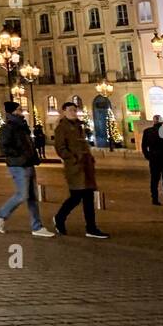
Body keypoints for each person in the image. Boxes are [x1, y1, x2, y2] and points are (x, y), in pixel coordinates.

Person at [0, 102, 55, 236]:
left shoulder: (21, 126)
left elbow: (28, 144)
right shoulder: (8, 128)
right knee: (22, 194)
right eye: (19, 109)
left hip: (27, 163)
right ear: (13, 112)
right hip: (18, 165)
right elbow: (4, 147)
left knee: (32, 196)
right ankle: (0, 215)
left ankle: (37, 227)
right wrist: (21, 155)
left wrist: (31, 157)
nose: (22, 111)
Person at [53, 101, 109, 238]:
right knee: (75, 198)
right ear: (64, 112)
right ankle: (59, 218)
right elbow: (60, 148)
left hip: (86, 167)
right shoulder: (62, 128)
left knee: (88, 198)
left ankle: (91, 228)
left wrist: (89, 158)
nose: (74, 112)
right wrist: (73, 159)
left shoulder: (79, 126)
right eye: (71, 110)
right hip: (75, 168)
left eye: (75, 110)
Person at [140, 115, 163, 206]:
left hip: (154, 159)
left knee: (154, 179)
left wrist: (148, 156)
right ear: (161, 122)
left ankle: (155, 199)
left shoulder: (147, 132)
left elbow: (144, 146)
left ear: (154, 122)